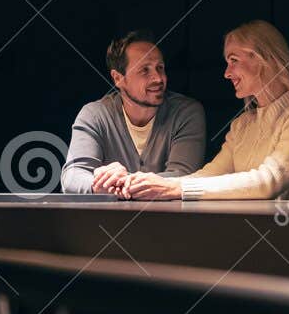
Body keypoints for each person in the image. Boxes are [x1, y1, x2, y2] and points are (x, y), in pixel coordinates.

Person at [122, 20, 289, 201]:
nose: (226, 73)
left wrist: (175, 188)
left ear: (264, 59)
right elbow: (210, 175)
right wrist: (146, 182)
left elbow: (270, 181)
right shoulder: (241, 124)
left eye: (234, 60)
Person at [60, 30, 206, 194]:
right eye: (145, 70)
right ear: (118, 78)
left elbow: (183, 176)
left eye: (160, 68)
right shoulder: (94, 115)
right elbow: (72, 176)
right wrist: (98, 184)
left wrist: (120, 182)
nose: (158, 78)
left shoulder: (186, 112)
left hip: (167, 211)